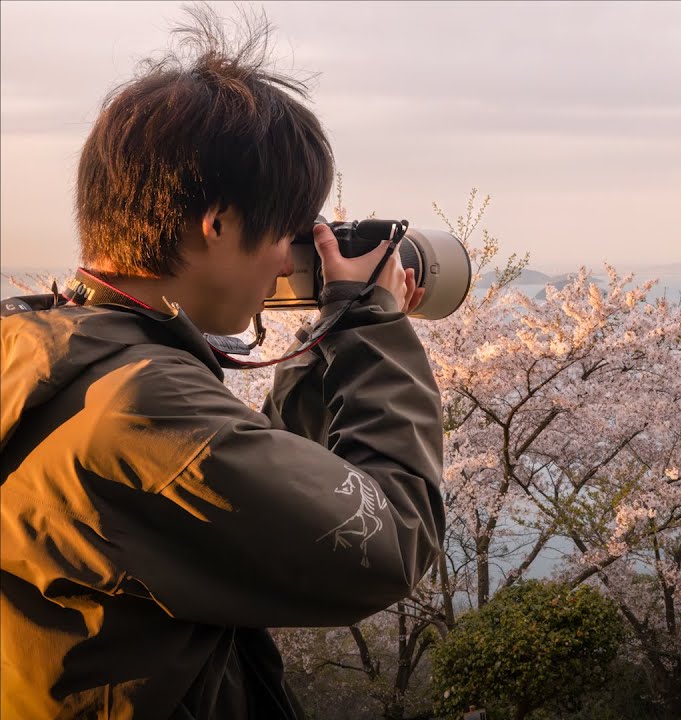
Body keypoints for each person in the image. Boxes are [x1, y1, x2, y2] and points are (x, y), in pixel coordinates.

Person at [0, 7, 445, 719]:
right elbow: (390, 539)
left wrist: (323, 338)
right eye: (286, 231)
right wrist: (369, 324)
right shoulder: (141, 410)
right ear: (217, 223)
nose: (285, 258)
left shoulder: (51, 351)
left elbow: (263, 496)